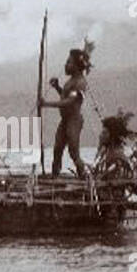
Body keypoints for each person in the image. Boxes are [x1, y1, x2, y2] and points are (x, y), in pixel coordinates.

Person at [40, 41, 93, 178]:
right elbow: (65, 95)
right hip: (65, 120)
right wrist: (57, 87)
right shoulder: (71, 81)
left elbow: (70, 102)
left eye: (69, 62)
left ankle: (84, 177)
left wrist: (47, 104)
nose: (66, 65)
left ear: (76, 66)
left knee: (73, 151)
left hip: (74, 120)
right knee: (57, 149)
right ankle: (54, 177)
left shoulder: (80, 82)